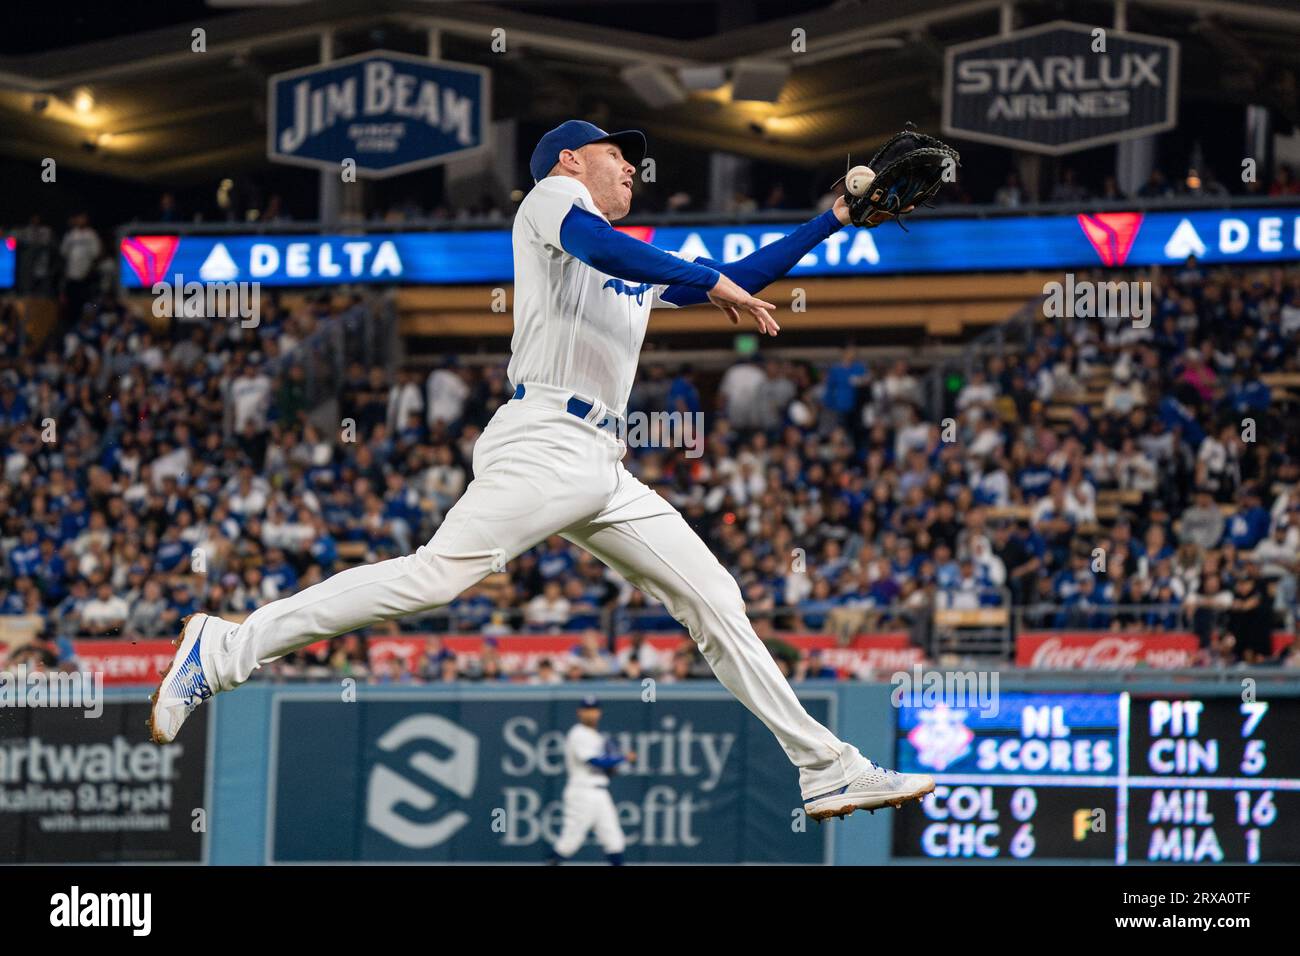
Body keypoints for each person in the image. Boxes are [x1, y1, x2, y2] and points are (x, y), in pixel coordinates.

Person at [149, 119, 933, 821]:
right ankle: (223, 648)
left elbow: (741, 275)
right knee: (432, 579)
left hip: (602, 463)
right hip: (544, 438)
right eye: (616, 155)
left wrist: (830, 221)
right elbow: (621, 253)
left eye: (634, 159)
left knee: (715, 599)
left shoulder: (628, 256)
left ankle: (827, 769)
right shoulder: (550, 204)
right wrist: (707, 279)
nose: (631, 167)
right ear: (569, 160)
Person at [548, 696, 635, 865]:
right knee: (569, 843)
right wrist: (622, 758)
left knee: (615, 841)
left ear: (599, 713)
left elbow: (605, 768)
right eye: (587, 710)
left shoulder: (597, 737)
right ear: (579, 712)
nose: (591, 714)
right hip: (582, 791)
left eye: (593, 710)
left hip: (600, 792)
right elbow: (594, 761)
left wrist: (612, 767)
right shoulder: (578, 733)